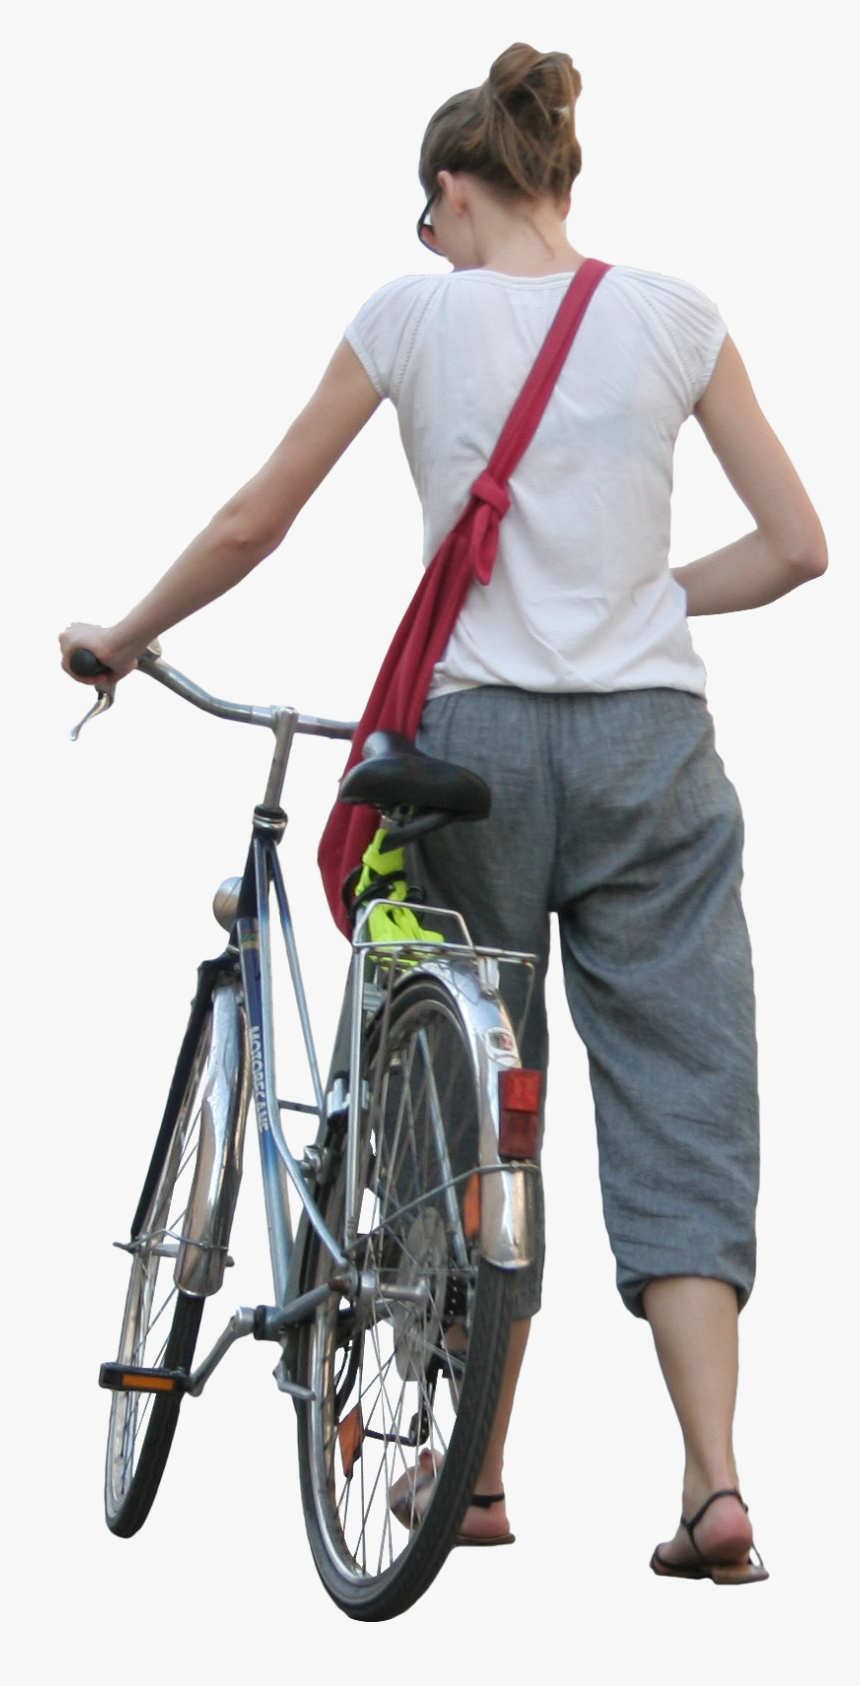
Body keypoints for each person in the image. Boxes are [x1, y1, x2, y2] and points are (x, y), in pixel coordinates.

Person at [60, 43, 826, 1582]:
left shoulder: (412, 311)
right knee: (683, 1095)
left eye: (432, 219)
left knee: (469, 1107)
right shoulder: (676, 313)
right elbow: (800, 545)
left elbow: (253, 517)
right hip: (653, 748)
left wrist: (127, 631)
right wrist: (640, 603)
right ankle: (717, 1485)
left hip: (469, 748)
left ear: (452, 192)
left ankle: (471, 1475)